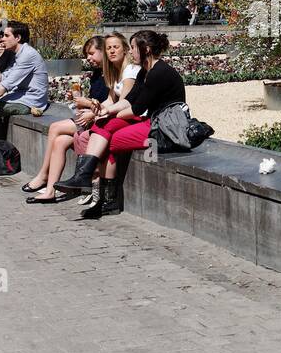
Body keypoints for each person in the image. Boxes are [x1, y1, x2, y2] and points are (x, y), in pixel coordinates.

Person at [56, 30, 185, 219]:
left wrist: (107, 113)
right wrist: (107, 111)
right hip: (152, 120)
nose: (131, 51)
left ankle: (103, 194)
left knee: (109, 138)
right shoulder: (145, 70)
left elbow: (136, 108)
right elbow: (130, 100)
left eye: (133, 47)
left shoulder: (158, 73)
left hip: (163, 125)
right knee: (105, 128)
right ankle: (100, 193)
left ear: (146, 49)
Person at [20, 35, 114, 204]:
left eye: (92, 53)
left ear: (103, 51)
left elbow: (107, 105)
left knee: (55, 127)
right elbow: (91, 104)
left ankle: (43, 174)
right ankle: (50, 191)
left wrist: (87, 104)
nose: (88, 58)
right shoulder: (96, 75)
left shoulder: (110, 75)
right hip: (89, 119)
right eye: (87, 55)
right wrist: (78, 99)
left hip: (100, 122)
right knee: (60, 142)